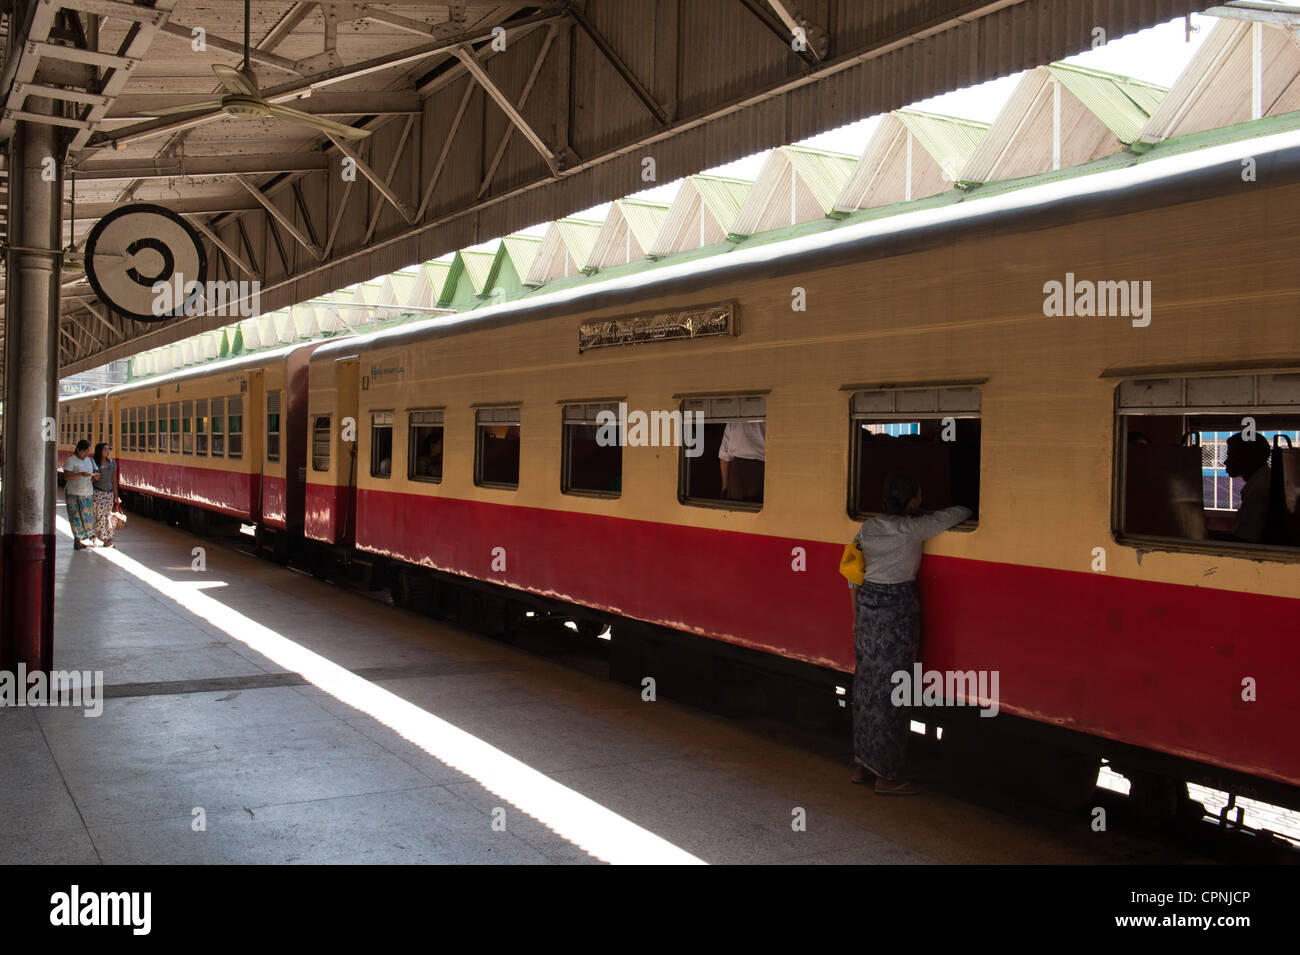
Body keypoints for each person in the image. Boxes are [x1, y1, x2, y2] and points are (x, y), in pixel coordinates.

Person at [850, 472, 971, 795]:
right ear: (913, 499)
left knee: (866, 687)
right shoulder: (912, 529)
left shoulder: (868, 528)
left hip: (867, 605)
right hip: (896, 612)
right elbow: (959, 513)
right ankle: (886, 777)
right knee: (893, 692)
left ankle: (862, 765)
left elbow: (851, 573)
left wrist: (856, 617)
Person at [1224, 431, 1271, 543]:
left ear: (1250, 458)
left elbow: (1246, 540)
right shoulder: (1262, 480)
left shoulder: (1258, 490)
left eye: (1232, 456)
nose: (1226, 462)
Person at [61, 439, 99, 550]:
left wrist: (95, 477)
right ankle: (77, 540)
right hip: (73, 493)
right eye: (85, 451)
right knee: (75, 517)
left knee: (87, 517)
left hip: (87, 492)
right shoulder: (71, 461)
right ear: (78, 450)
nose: (87, 454)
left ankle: (89, 536)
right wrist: (80, 474)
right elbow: (66, 477)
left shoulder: (90, 461)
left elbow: (96, 474)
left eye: (88, 451)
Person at [719, 420, 765, 503]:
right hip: (761, 471)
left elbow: (725, 456)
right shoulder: (770, 416)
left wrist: (725, 487)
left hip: (738, 474)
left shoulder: (735, 418)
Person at [91, 442, 121, 547]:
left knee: (106, 516)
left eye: (108, 449)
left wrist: (116, 495)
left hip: (109, 493)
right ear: (100, 451)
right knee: (101, 516)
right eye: (105, 449)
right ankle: (105, 539)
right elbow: (91, 478)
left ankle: (96, 535)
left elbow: (114, 479)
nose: (108, 451)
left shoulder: (112, 464)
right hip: (97, 493)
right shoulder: (94, 463)